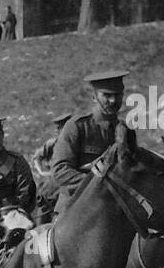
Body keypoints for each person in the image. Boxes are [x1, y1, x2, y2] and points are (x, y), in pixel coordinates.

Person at [51, 70, 136, 213]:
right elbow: (60, 170)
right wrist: (96, 183)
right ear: (94, 97)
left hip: (113, 209)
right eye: (107, 95)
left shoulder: (126, 132)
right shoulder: (77, 126)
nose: (113, 101)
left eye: (117, 95)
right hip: (75, 206)